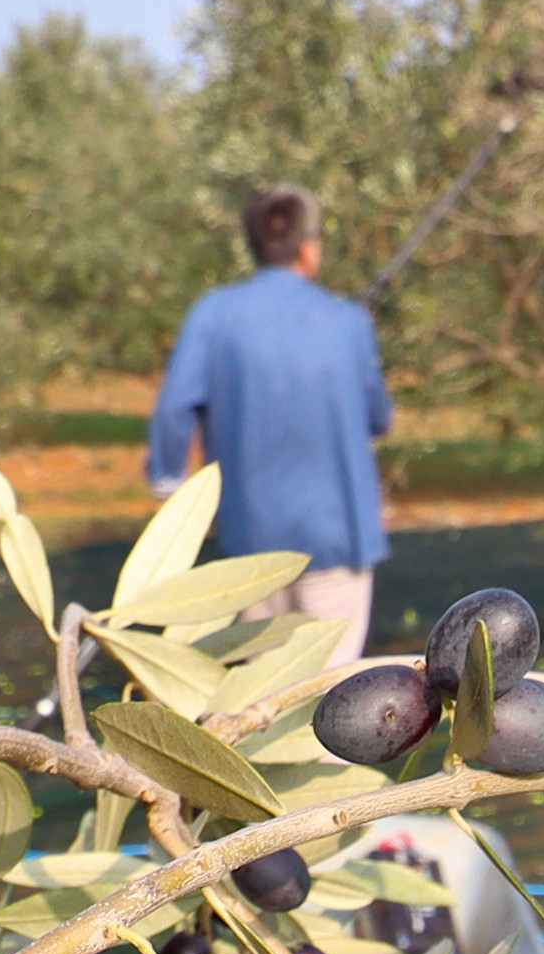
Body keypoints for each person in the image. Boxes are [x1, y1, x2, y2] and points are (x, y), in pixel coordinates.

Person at [147, 184, 393, 667]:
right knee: (333, 691)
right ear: (308, 247)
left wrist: (167, 488)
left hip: (250, 544)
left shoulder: (212, 315)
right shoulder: (347, 321)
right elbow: (378, 417)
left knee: (260, 688)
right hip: (337, 538)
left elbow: (174, 408)